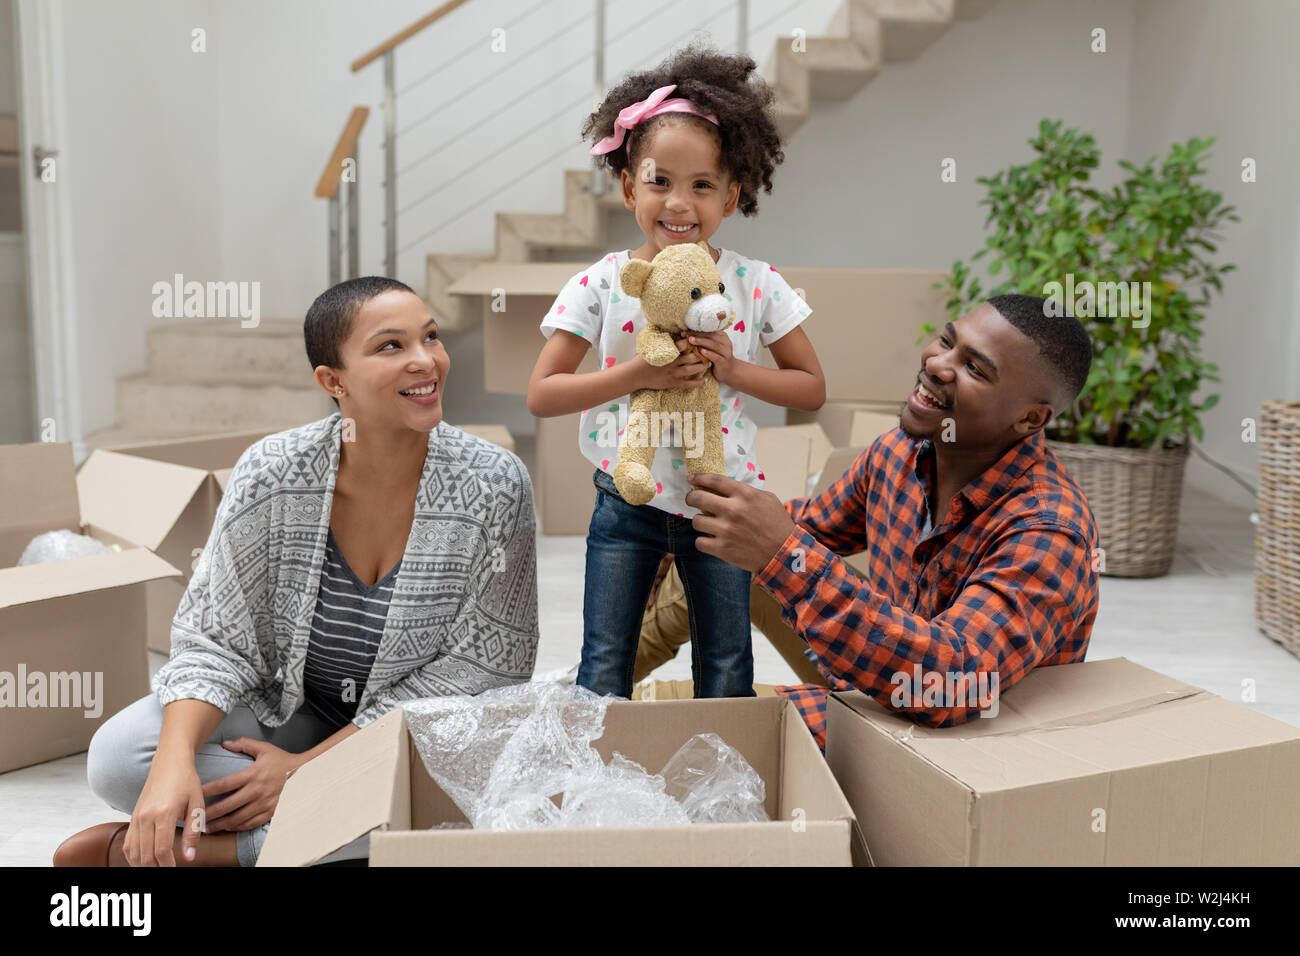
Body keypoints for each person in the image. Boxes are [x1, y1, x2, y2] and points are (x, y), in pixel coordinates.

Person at [54, 276, 539, 866]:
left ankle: (218, 854)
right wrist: (172, 764)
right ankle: (332, 834)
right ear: (333, 382)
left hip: (412, 740)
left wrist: (306, 774)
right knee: (121, 757)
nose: (426, 361)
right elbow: (216, 636)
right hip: (295, 712)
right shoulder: (273, 472)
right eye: (391, 346)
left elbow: (483, 673)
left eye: (430, 337)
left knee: (498, 793)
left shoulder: (495, 483)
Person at [527, 43, 826, 701]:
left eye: (702, 185)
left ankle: (729, 793)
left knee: (726, 667)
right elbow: (543, 394)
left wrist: (736, 371)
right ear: (630, 186)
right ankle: (593, 794)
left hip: (719, 504)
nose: (679, 204)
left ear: (733, 193)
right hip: (623, 503)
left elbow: (811, 387)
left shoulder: (753, 284)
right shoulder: (604, 284)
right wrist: (637, 374)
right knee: (604, 664)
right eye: (660, 181)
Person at [672, 294, 1101, 749]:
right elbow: (813, 528)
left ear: (1030, 418)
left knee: (714, 738)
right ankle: (599, 694)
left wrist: (785, 552)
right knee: (708, 549)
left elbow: (952, 684)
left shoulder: (1051, 531)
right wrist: (679, 522)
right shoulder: (900, 451)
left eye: (976, 369)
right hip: (882, 684)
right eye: (946, 342)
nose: (938, 365)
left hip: (958, 739)